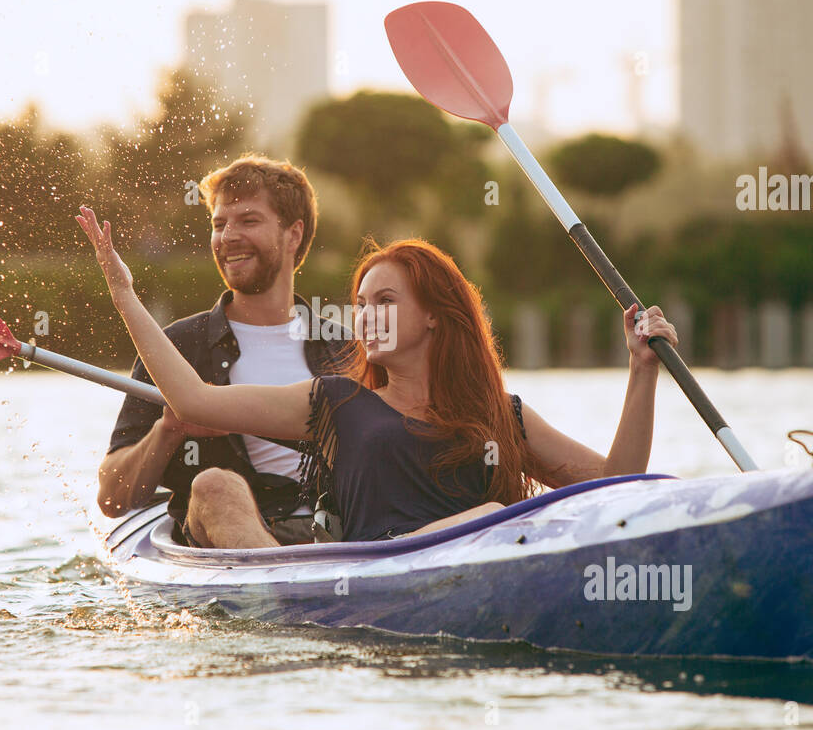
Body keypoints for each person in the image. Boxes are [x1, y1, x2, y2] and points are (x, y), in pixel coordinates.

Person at [78, 207, 678, 548]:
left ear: (436, 319)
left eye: (384, 300)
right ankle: (278, 603)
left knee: (489, 522)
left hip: (480, 568)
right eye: (361, 303)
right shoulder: (333, 402)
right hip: (365, 580)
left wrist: (641, 369)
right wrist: (125, 296)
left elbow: (615, 485)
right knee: (214, 483)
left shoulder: (504, 414)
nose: (365, 316)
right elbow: (195, 398)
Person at [95, 155, 348, 547]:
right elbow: (112, 497)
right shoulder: (177, 346)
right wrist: (167, 431)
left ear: (293, 234)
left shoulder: (347, 349)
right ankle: (281, 590)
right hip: (230, 533)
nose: (227, 236)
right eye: (218, 224)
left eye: (248, 221)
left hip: (336, 533)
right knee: (215, 485)